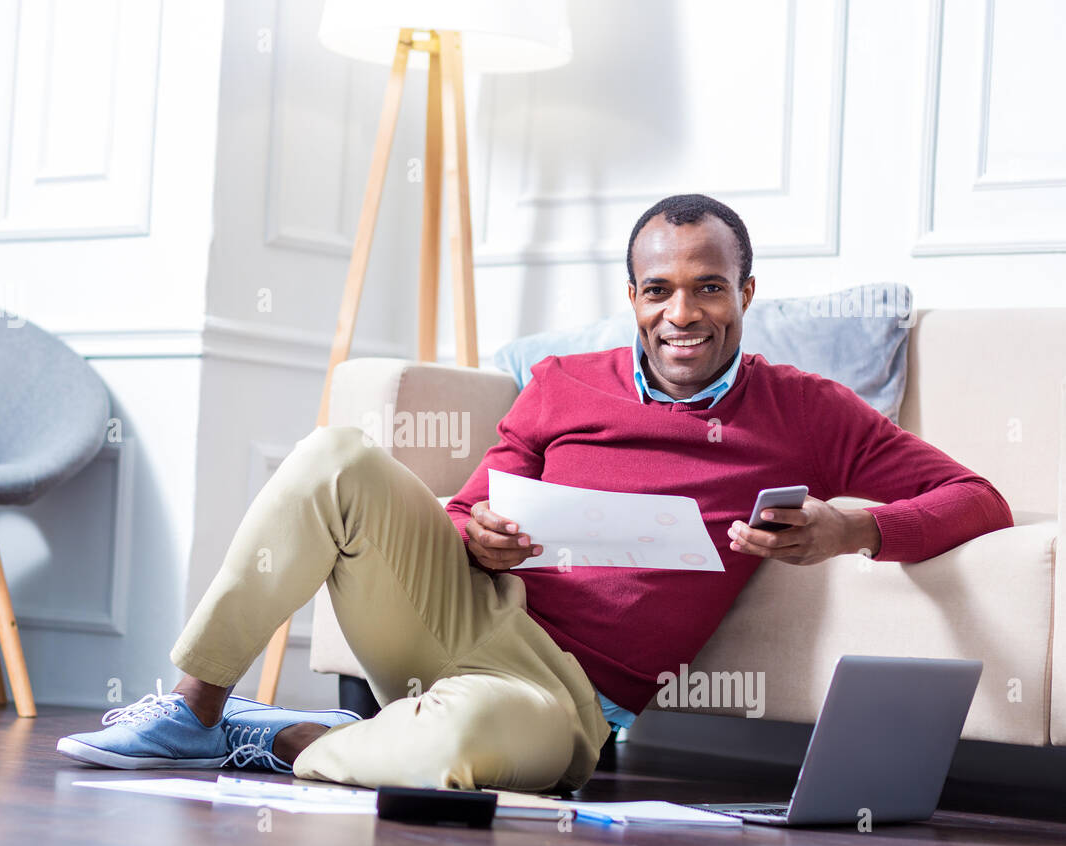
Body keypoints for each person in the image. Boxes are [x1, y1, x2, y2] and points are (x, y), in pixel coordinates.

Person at [56, 193, 1013, 793]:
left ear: (746, 294)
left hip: (564, 695)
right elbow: (471, 503)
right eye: (659, 290)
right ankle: (193, 706)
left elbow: (977, 500)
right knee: (332, 455)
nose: (683, 314)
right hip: (465, 605)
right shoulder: (562, 381)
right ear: (632, 295)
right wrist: (478, 531)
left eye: (710, 289)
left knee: (449, 759)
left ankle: (289, 735)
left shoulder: (808, 411)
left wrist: (851, 527)